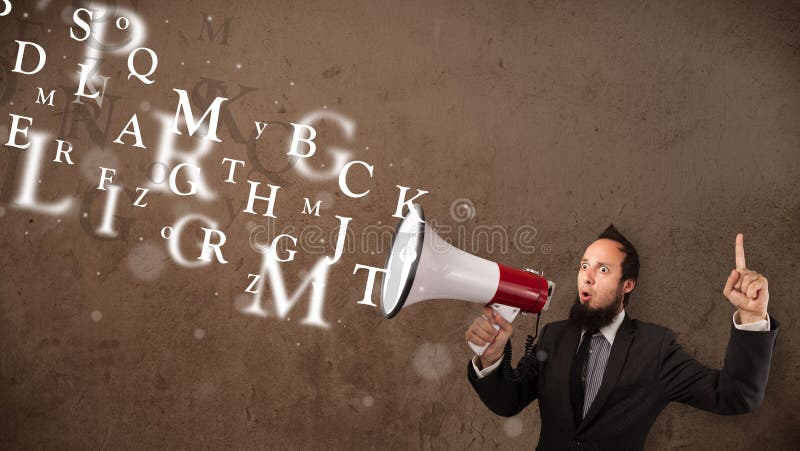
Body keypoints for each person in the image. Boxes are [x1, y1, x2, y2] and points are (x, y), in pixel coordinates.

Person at [465, 225, 778, 450]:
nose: (587, 277)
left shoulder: (655, 348)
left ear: (628, 285)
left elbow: (735, 396)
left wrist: (752, 317)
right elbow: (507, 402)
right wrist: (491, 358)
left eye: (603, 270)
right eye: (584, 265)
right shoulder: (553, 337)